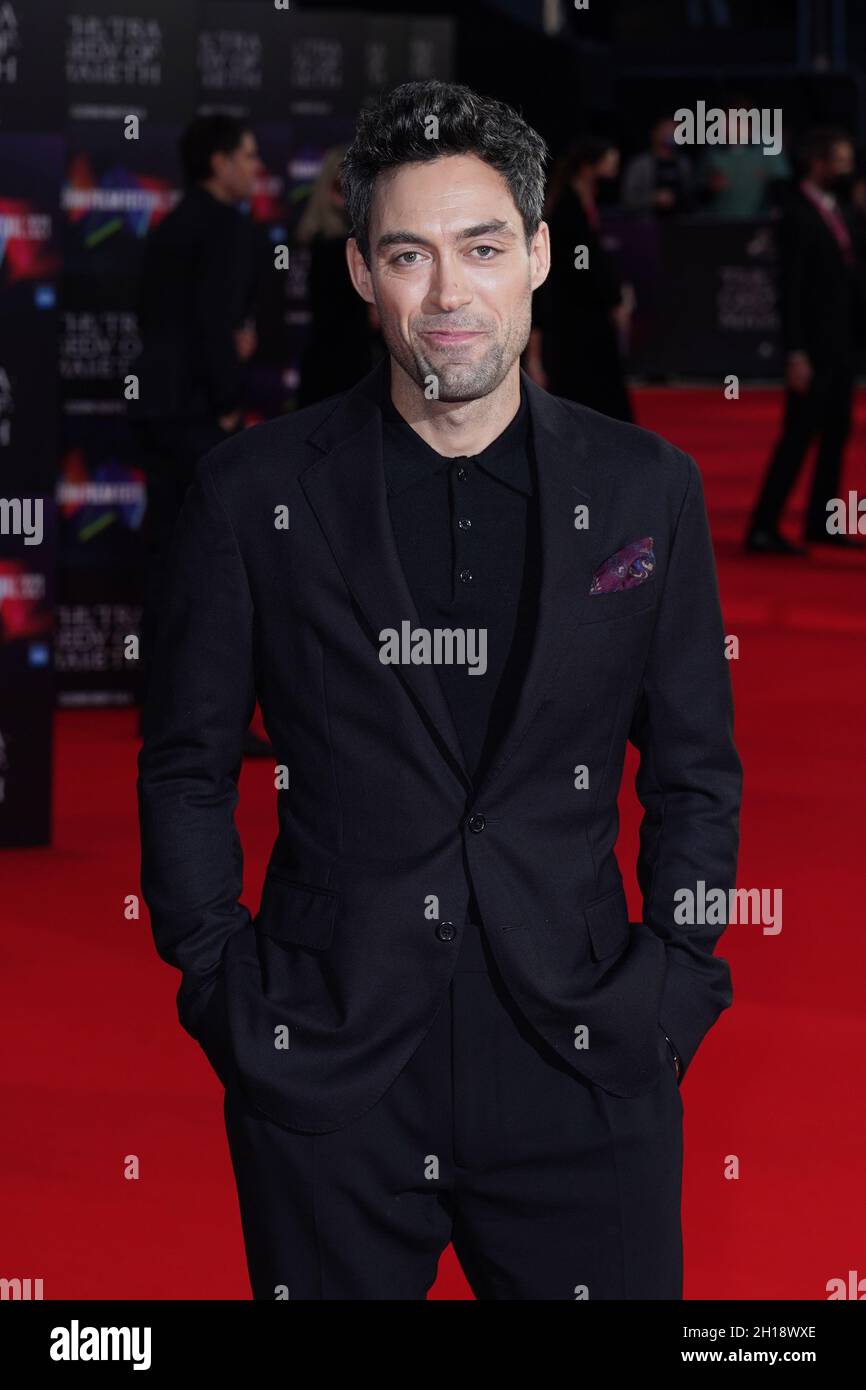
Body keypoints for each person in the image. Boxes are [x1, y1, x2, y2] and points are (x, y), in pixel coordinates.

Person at [137, 80, 742, 1301]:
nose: (448, 294)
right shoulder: (255, 493)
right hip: (330, 1062)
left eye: (479, 249)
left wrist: (671, 985)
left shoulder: (643, 491)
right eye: (409, 254)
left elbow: (693, 772)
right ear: (361, 273)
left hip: (579, 1052)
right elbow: (185, 764)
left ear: (535, 254)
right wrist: (222, 986)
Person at [130, 114, 270, 752]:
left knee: (168, 554)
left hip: (161, 409)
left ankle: (164, 706)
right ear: (218, 162)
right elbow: (213, 322)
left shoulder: (174, 220)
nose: (255, 168)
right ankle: (202, 721)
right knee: (210, 567)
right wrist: (226, 401)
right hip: (196, 414)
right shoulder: (222, 228)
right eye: (246, 156)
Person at [745, 127, 866, 554]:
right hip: (813, 348)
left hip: (842, 345)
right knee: (798, 435)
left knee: (836, 434)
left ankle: (822, 521)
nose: (849, 168)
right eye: (842, 159)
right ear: (818, 162)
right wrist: (795, 351)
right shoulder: (796, 213)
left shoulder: (842, 210)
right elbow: (790, 289)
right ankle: (762, 526)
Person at [525, 135, 634, 421]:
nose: (614, 172)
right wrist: (611, 296)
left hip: (587, 311)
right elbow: (581, 264)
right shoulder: (567, 208)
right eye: (609, 164)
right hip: (576, 315)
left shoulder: (584, 201)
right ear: (588, 167)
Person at [295, 145, 379, 407]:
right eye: (342, 186)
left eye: (359, 185)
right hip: (340, 375)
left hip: (343, 370)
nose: (350, 193)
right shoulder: (332, 248)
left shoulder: (338, 241)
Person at [622, 115, 695, 219]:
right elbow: (627, 200)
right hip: (647, 225)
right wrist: (654, 198)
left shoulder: (684, 163)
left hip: (679, 224)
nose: (672, 133)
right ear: (655, 133)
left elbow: (690, 196)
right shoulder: (639, 164)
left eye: (675, 129)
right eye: (667, 129)